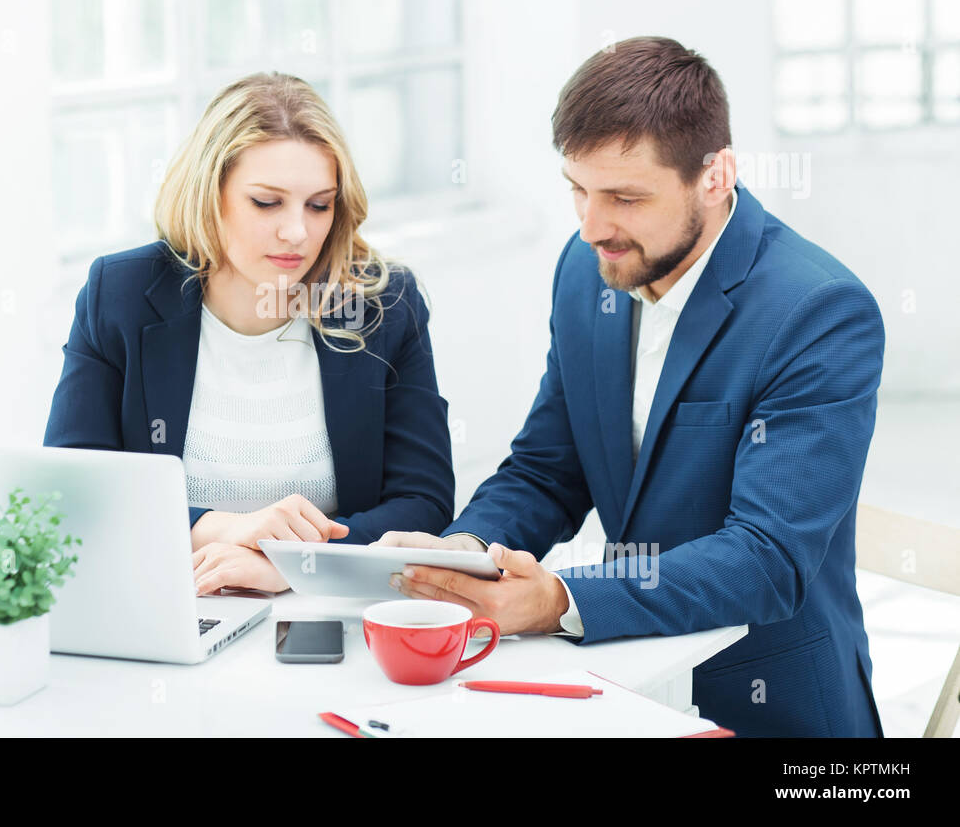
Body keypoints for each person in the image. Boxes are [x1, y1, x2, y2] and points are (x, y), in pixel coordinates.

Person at [379, 37, 885, 738]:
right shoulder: (590, 269)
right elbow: (548, 471)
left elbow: (766, 560)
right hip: (620, 690)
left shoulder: (820, 312)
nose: (591, 226)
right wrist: (465, 551)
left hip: (771, 708)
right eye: (577, 190)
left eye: (624, 197)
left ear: (715, 177)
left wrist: (559, 599)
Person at [44, 71, 455, 595]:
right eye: (266, 203)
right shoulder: (121, 292)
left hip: (324, 606)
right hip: (171, 600)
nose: (297, 233)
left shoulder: (382, 305)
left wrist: (298, 564)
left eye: (319, 204)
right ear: (208, 197)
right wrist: (220, 527)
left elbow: (424, 500)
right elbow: (69, 490)